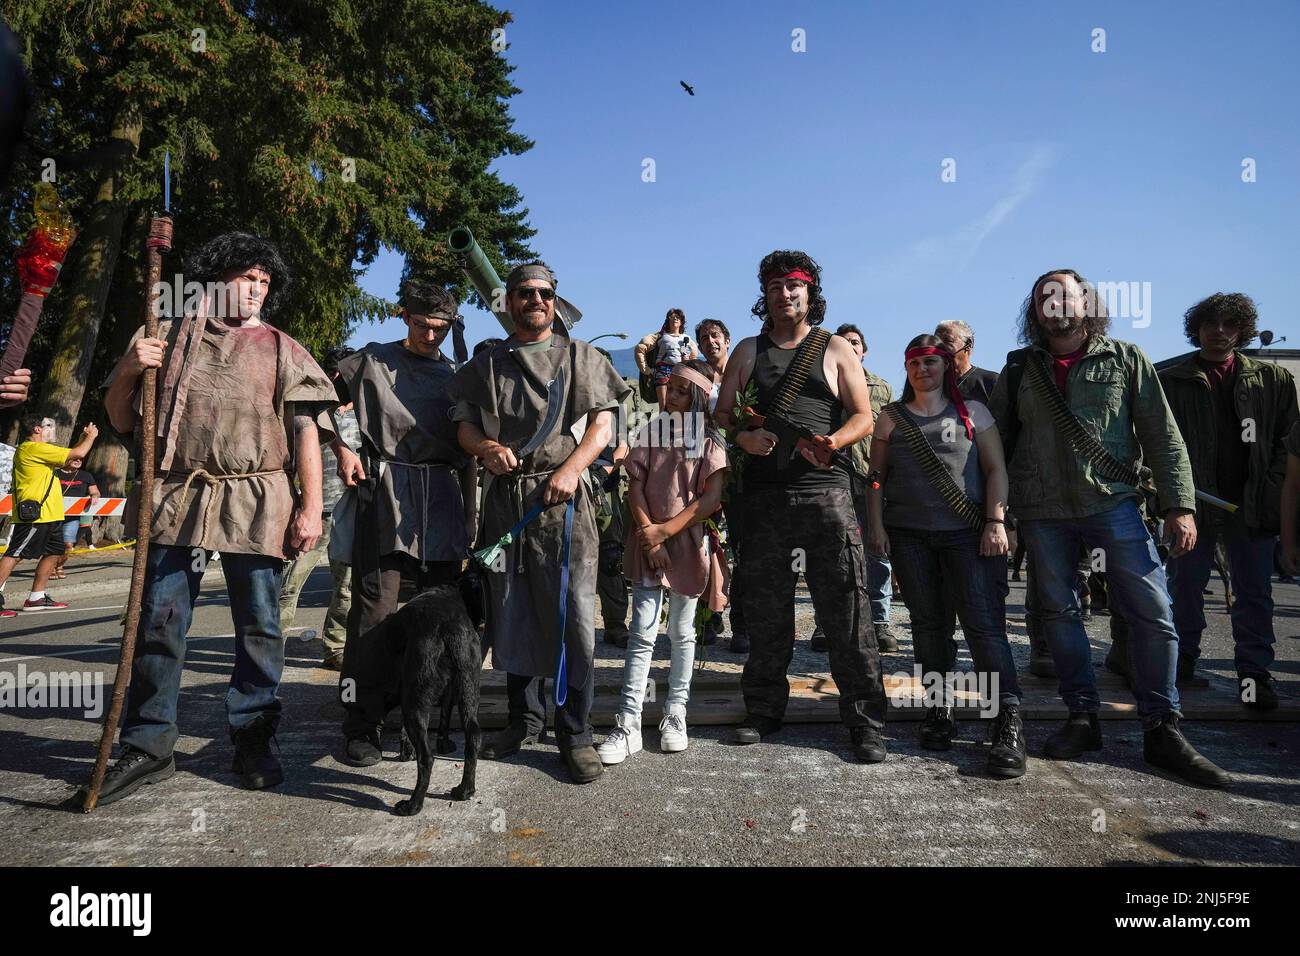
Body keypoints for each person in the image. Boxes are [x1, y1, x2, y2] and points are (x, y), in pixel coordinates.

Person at [91, 232, 337, 804]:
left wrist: (310, 509)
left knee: (259, 625)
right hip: (178, 497)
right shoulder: (164, 336)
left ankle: (253, 737)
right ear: (213, 280)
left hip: (256, 496)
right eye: (245, 278)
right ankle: (150, 745)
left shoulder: (282, 348)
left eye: (264, 281)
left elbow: (306, 435)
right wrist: (130, 367)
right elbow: (121, 418)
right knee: (160, 620)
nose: (255, 290)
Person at [988, 268, 1230, 788]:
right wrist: (996, 512)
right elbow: (999, 446)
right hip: (1042, 509)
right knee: (1059, 615)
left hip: (1113, 503)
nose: (1056, 303)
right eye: (1044, 297)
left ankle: (1163, 728)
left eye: (1065, 294)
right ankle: (1082, 719)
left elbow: (1163, 436)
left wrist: (1178, 506)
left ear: (1086, 302)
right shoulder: (1019, 369)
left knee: (1153, 613)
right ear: (1035, 311)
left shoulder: (1127, 359)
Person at [447, 261, 630, 784]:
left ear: (555, 300)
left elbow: (602, 424)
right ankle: (523, 720)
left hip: (563, 501)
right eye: (524, 293)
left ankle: (575, 733)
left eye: (544, 293)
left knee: (572, 614)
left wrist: (573, 469)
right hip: (506, 501)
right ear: (508, 301)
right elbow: (462, 423)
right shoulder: (487, 364)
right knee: (511, 607)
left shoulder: (581, 357)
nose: (535, 300)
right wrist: (484, 448)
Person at [715, 250, 888, 761]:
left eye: (794, 286)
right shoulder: (748, 349)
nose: (784, 295)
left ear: (810, 291)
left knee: (847, 608)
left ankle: (864, 722)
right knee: (768, 608)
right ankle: (764, 712)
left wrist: (832, 443)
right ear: (763, 295)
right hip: (765, 497)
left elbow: (864, 417)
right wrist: (744, 439)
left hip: (826, 493)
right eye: (774, 287)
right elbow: (723, 412)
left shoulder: (835, 348)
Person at [866, 335, 1025, 777]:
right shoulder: (890, 418)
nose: (923, 369)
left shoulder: (973, 412)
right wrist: (876, 525)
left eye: (932, 361)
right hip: (911, 536)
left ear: (948, 365)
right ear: (906, 368)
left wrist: (995, 521)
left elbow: (996, 470)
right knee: (928, 626)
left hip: (968, 536)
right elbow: (876, 478)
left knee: (984, 628)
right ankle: (939, 709)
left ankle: (1005, 721)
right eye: (914, 362)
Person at [333, 281, 471, 767]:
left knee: (439, 619)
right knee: (374, 611)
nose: (431, 336)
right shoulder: (371, 361)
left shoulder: (459, 373)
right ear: (403, 317)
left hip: (443, 497)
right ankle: (360, 721)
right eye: (421, 326)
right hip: (386, 492)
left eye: (441, 328)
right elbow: (316, 403)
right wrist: (343, 448)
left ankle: (424, 722)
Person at [1159, 293, 1295, 711]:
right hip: (1193, 503)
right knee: (1185, 589)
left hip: (1251, 504)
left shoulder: (1272, 379)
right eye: (1211, 324)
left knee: (1254, 593)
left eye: (1229, 325)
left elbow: (1285, 445)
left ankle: (1254, 675)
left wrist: (1271, 488)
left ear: (1243, 330)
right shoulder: (1170, 378)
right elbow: (1157, 441)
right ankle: (1180, 665)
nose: (1219, 332)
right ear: (1196, 328)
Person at [597, 359, 729, 763]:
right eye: (671, 389)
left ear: (700, 397)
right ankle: (628, 722)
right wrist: (649, 535)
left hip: (688, 543)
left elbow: (710, 499)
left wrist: (666, 533)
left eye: (682, 392)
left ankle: (676, 712)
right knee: (641, 633)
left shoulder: (710, 439)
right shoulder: (651, 431)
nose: (671, 396)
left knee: (682, 631)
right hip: (647, 542)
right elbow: (634, 487)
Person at [811, 324, 898, 652]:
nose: (850, 347)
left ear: (864, 350)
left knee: (877, 554)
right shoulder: (824, 383)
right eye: (844, 343)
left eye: (856, 343)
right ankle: (825, 624)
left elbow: (893, 439)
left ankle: (879, 621)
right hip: (832, 483)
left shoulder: (882, 389)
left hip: (871, 482)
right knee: (829, 556)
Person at [277, 345, 359, 671]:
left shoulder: (365, 415)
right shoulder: (308, 413)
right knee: (287, 586)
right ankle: (270, 649)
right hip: (312, 514)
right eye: (340, 372)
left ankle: (336, 649)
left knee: (346, 589)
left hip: (349, 512)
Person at [0, 414, 98, 616]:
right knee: (15, 554)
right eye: (48, 427)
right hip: (36, 514)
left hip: (50, 514)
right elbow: (79, 452)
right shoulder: (34, 448)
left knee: (54, 551)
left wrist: (82, 437)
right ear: (37, 429)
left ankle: (37, 597)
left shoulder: (39, 451)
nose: (51, 431)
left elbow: (70, 457)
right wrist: (92, 437)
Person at [693, 318, 733, 646]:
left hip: (744, 468)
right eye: (704, 338)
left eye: (715, 335)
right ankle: (709, 616)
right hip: (706, 468)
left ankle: (745, 623)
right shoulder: (697, 376)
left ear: (727, 340)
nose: (710, 341)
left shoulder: (743, 372)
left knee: (746, 548)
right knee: (706, 544)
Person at [635, 308, 696, 408]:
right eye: (672, 317)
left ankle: (678, 423)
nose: (675, 319)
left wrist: (688, 368)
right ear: (668, 321)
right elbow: (640, 348)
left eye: (678, 317)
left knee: (681, 406)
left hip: (680, 372)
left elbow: (693, 359)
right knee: (663, 405)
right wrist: (647, 370)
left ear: (682, 321)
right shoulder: (660, 336)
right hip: (663, 371)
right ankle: (663, 423)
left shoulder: (687, 339)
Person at [51, 457, 99, 579]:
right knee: (51, 543)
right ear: (66, 459)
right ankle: (50, 567)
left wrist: (94, 495)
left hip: (72, 517)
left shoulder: (85, 475)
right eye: (75, 459)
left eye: (81, 460)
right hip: (52, 514)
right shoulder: (54, 473)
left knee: (68, 545)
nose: (78, 461)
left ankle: (59, 566)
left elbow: (95, 491)